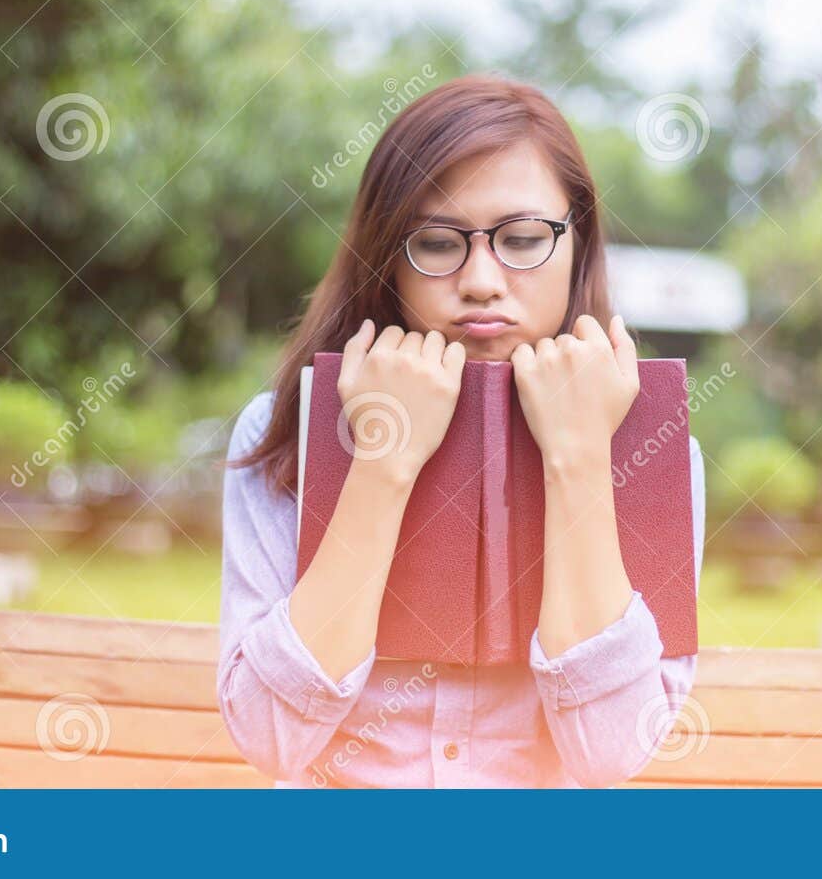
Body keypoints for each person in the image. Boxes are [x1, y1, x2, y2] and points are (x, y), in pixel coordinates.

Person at [218, 73, 705, 787]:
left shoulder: (657, 448)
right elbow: (270, 738)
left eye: (523, 238)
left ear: (578, 242)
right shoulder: (281, 430)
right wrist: (380, 462)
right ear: (386, 254)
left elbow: (610, 755)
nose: (481, 279)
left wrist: (579, 456)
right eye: (438, 242)